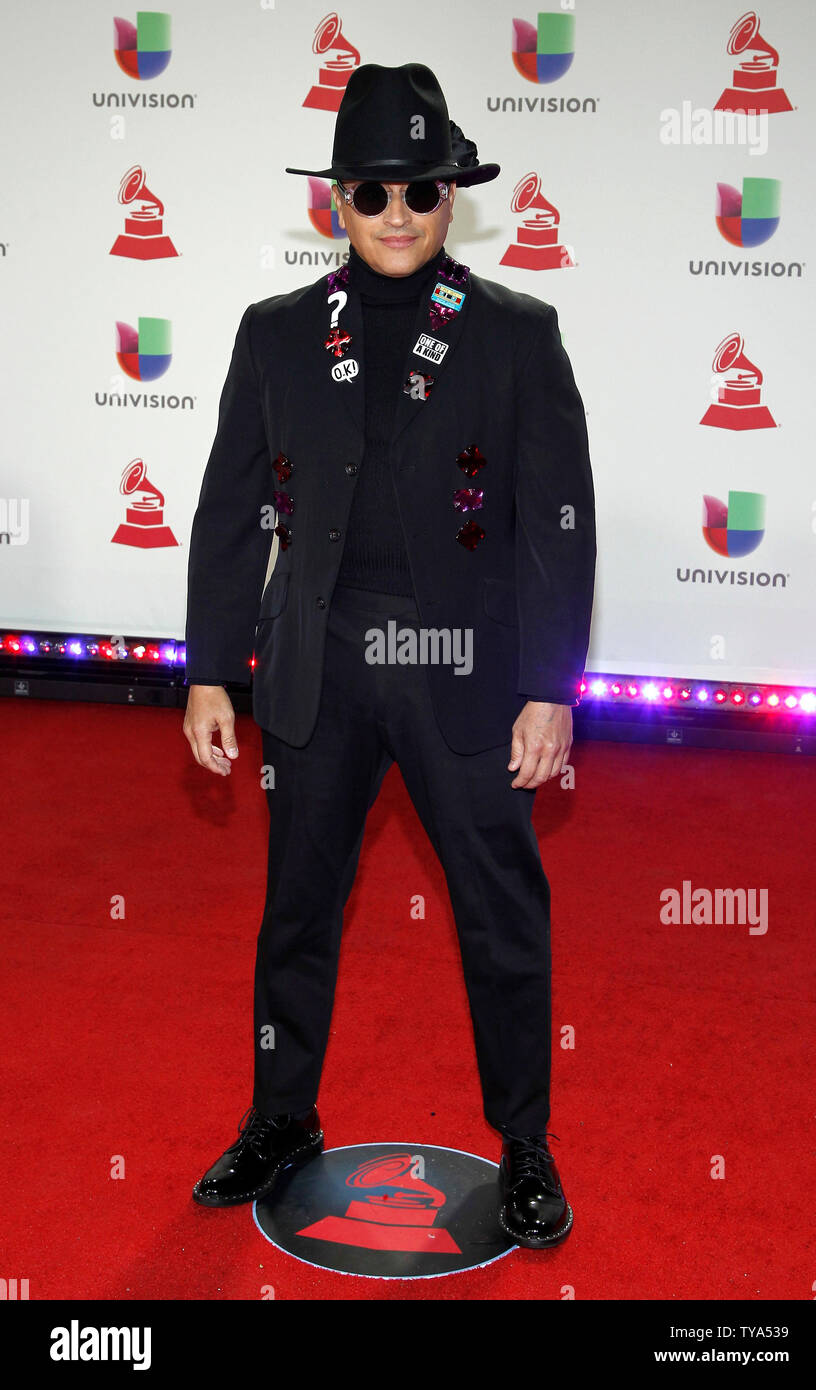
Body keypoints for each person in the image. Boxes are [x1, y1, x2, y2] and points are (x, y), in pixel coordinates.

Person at [182, 62, 596, 1249]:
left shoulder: (518, 335)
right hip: (315, 662)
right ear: (336, 202)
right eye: (371, 190)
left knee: (498, 912)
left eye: (419, 188)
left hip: (465, 666)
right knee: (296, 910)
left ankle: (524, 1144)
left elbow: (554, 518)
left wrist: (548, 686)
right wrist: (211, 666)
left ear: (451, 193)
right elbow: (226, 512)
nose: (397, 212)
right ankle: (278, 1117)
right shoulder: (272, 337)